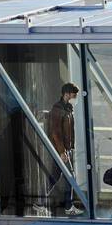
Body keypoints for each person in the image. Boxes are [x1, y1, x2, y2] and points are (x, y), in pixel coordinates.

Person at [46, 82, 84, 216]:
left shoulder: (68, 108)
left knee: (55, 176)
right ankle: (69, 206)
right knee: (70, 177)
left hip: (67, 149)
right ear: (66, 94)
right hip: (61, 150)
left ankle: (40, 200)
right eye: (74, 95)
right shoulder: (57, 110)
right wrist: (62, 152)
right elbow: (55, 133)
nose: (75, 98)